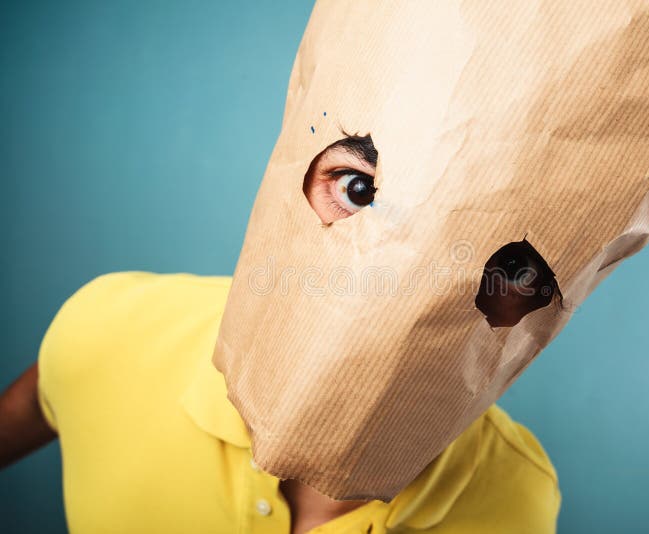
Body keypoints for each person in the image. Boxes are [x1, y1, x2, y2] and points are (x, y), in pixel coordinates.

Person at [0, 134, 561, 534]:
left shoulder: (514, 500)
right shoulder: (114, 332)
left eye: (511, 268)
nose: (402, 292)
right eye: (357, 190)